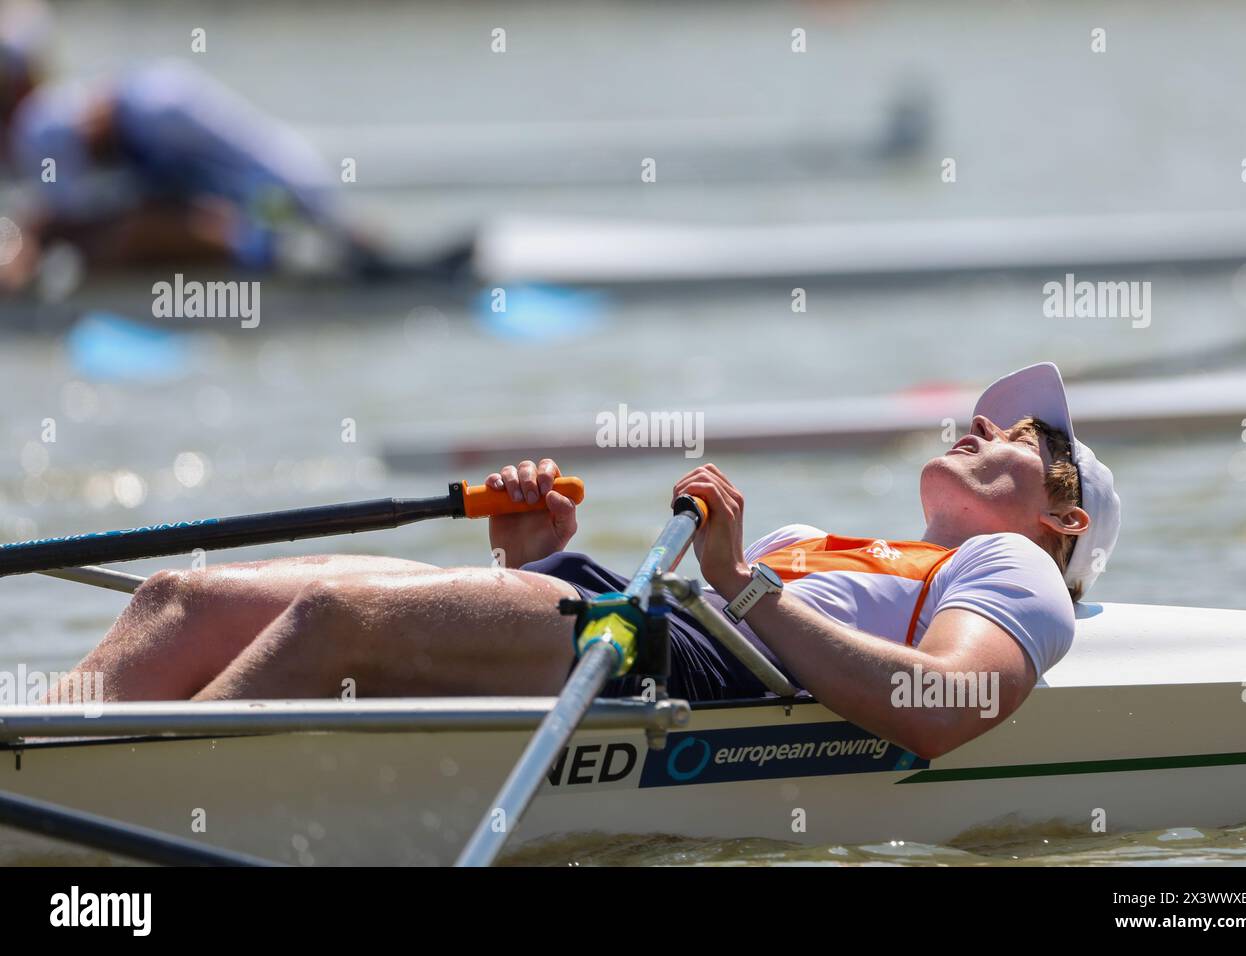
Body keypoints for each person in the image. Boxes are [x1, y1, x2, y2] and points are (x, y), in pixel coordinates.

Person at [54, 363, 1120, 760]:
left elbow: (942, 705)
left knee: (328, 616)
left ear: (1064, 524)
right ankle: (37, 777)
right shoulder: (838, 541)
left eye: (1022, 435)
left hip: (688, 664)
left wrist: (742, 581)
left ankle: (108, 828)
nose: (981, 424)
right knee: (177, 593)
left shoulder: (1012, 569)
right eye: (978, 416)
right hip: (635, 621)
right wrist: (535, 552)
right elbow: (641, 607)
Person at [0, 1, 418, 291]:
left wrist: (22, 253)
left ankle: (299, 256)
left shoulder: (50, 123)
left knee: (119, 239)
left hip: (275, 211)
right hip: (264, 203)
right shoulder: (68, 111)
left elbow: (56, 224)